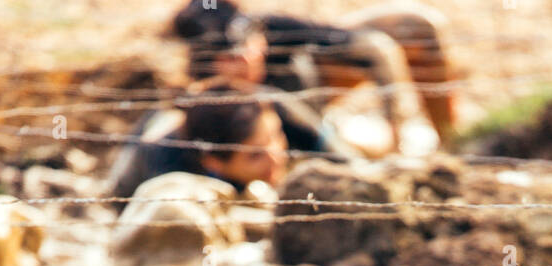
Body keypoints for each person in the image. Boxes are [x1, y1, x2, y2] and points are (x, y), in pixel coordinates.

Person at [172, 0, 457, 143]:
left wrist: (398, 127)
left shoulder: (272, 29)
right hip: (290, 135)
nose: (246, 60)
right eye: (231, 57)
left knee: (414, 24)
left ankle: (451, 138)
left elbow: (376, 47)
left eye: (249, 48)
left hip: (314, 92)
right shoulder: (202, 98)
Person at [106, 78, 339, 201]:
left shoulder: (272, 105)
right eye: (255, 155)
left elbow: (342, 157)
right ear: (215, 163)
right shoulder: (170, 168)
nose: (276, 157)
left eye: (277, 136)